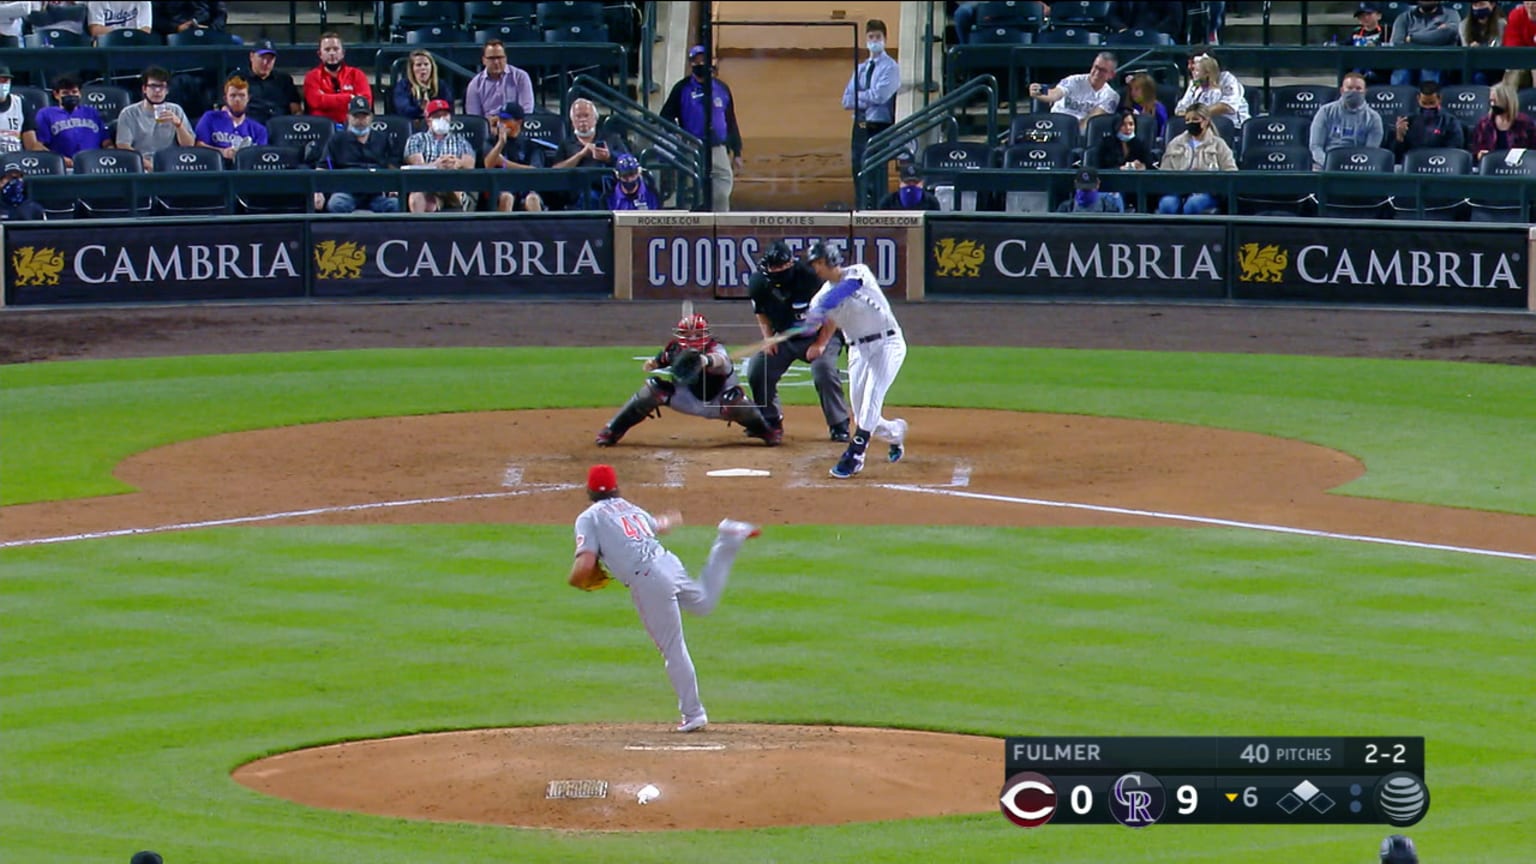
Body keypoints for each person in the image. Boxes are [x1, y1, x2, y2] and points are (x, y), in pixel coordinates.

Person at [569, 463, 760, 734]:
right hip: (667, 562)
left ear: (588, 490)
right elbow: (659, 525)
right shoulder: (629, 507)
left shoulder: (588, 517)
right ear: (616, 487)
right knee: (704, 603)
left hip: (648, 578)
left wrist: (574, 581)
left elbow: (585, 563)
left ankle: (694, 714)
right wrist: (672, 518)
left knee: (672, 647)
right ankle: (729, 538)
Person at [799, 240, 908, 479]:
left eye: (818, 262)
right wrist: (808, 324)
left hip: (887, 343)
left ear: (830, 260)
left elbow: (846, 289)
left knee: (872, 398)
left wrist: (821, 308)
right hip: (857, 350)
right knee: (862, 416)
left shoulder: (858, 272)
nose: (815, 268)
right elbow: (816, 323)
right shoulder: (820, 298)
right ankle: (896, 431)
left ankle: (856, 454)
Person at [594, 312, 780, 447]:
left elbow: (720, 361)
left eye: (697, 335)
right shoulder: (675, 349)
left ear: (706, 335)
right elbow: (663, 359)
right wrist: (653, 363)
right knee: (652, 390)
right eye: (688, 335)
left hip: (718, 403)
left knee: (736, 400)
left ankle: (763, 430)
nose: (692, 338)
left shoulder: (716, 349)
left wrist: (704, 360)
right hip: (686, 399)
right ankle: (612, 430)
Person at [744, 239, 852, 443]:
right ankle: (770, 422)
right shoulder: (759, 283)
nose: (775, 270)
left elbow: (833, 314)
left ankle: (839, 424)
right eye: (772, 267)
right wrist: (768, 339)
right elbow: (761, 313)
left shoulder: (811, 278)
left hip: (823, 333)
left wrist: (820, 344)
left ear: (790, 264)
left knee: (823, 369)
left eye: (779, 266)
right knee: (758, 368)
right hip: (785, 335)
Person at [659, 44, 744, 211]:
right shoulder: (682, 88)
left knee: (722, 189)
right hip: (692, 146)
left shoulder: (722, 88)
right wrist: (676, 135)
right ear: (691, 64)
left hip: (718, 146)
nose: (700, 64)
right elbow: (666, 115)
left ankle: (720, 224)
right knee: (693, 192)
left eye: (703, 60)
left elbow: (730, 120)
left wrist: (737, 151)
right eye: (696, 61)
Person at [315, 95, 399, 213]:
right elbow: (322, 168)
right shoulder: (337, 140)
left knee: (395, 204)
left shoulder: (382, 139)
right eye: (356, 117)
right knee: (336, 204)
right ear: (348, 117)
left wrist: (394, 188)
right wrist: (318, 192)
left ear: (371, 118)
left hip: (376, 193)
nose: (360, 121)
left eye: (364, 116)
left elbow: (392, 166)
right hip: (346, 191)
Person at [841, 18, 900, 180]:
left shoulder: (891, 67)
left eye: (878, 37)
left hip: (879, 125)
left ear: (885, 39)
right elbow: (846, 100)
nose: (874, 41)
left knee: (876, 172)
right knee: (859, 170)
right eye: (871, 37)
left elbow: (880, 96)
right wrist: (867, 96)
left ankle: (877, 205)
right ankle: (861, 203)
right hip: (859, 125)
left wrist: (858, 96)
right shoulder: (861, 68)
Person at [1157, 103, 1236, 214]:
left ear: (1206, 121)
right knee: (1167, 205)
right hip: (1178, 190)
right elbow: (1164, 171)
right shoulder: (1176, 143)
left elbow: (1231, 172)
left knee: (1193, 204)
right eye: (1188, 120)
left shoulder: (1218, 144)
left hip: (1206, 191)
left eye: (1195, 119)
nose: (1191, 123)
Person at [23, 72, 111, 166]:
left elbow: (106, 141)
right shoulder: (46, 114)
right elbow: (38, 145)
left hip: (94, 164)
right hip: (63, 168)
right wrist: (60, 160)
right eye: (65, 93)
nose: (71, 95)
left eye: (74, 92)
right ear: (56, 94)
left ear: (80, 93)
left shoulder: (91, 112)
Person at [116, 66, 194, 170]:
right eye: (153, 86)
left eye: (162, 86)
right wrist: (146, 164)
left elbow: (189, 145)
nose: (157, 90)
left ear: (167, 90)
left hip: (172, 164)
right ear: (144, 89)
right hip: (141, 165)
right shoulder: (128, 113)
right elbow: (123, 145)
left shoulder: (176, 110)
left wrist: (178, 125)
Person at [403, 98, 474, 213]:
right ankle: (417, 230)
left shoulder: (460, 140)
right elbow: (417, 165)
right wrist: (436, 165)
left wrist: (456, 162)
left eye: (445, 115)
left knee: (456, 186)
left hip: (453, 184)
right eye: (437, 116)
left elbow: (470, 163)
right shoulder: (416, 139)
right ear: (428, 120)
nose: (442, 119)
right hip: (426, 184)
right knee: (417, 198)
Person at [551, 97, 622, 209]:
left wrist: (609, 157)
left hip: (607, 190)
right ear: (572, 121)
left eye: (586, 115)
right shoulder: (566, 144)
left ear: (595, 119)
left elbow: (628, 161)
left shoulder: (611, 139)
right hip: (577, 194)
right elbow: (555, 171)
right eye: (578, 116)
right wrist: (581, 155)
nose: (582, 120)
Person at [1308, 72, 1384, 170]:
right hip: (1326, 165)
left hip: (1358, 167)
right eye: (1349, 88)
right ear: (1342, 90)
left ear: (1365, 92)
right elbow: (1316, 146)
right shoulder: (1325, 111)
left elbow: (1369, 153)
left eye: (1358, 89)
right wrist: (1330, 164)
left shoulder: (1374, 118)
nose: (1354, 92)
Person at [1028, 52, 1120, 131]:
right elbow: (1054, 94)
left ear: (1111, 75)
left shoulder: (1111, 96)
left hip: (1078, 132)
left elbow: (1091, 120)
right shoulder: (1074, 80)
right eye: (1095, 67)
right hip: (1055, 123)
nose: (1096, 73)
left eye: (1102, 70)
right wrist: (1039, 91)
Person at [485, 100, 546, 212]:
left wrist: (505, 164)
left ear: (518, 122)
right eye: (500, 119)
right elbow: (488, 164)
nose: (501, 123)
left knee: (532, 199)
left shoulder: (530, 145)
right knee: (506, 197)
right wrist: (501, 143)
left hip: (525, 187)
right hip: (501, 187)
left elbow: (535, 171)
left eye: (506, 119)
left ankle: (540, 229)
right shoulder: (492, 142)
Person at [194, 75, 267, 163]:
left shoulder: (259, 130)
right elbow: (198, 146)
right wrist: (222, 152)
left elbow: (261, 157)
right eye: (233, 95)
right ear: (226, 98)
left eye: (242, 95)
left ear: (248, 98)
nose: (237, 100)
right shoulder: (210, 118)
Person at [304, 32, 372, 126]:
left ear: (343, 53)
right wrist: (349, 98)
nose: (332, 53)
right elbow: (316, 101)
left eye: (336, 49)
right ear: (320, 54)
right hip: (321, 128)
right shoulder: (312, 76)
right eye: (327, 50)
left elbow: (365, 102)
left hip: (352, 127)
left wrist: (326, 99)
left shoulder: (357, 74)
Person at [1389, 0, 1462, 86]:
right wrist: (1434, 35)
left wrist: (1412, 38)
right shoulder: (1404, 17)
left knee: (1428, 73)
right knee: (1401, 75)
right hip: (1408, 60)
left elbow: (1448, 34)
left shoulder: (1451, 15)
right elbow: (1397, 43)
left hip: (1438, 60)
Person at [1389, 80, 1465, 159]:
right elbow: (1396, 157)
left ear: (1440, 99)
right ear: (1418, 99)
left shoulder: (1451, 122)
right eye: (1424, 103)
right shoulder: (1407, 121)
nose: (1428, 107)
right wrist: (1399, 137)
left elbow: (1454, 153)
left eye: (1432, 103)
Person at [235, 40, 302, 125]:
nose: (265, 62)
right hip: (249, 127)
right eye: (262, 57)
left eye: (270, 58)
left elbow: (296, 110)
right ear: (251, 56)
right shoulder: (238, 78)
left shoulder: (284, 79)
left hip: (279, 128)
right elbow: (227, 109)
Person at [464, 38, 533, 119]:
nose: (496, 62)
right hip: (488, 127)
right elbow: (474, 117)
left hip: (515, 125)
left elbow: (527, 110)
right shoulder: (475, 84)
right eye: (491, 58)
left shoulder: (521, 77)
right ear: (484, 60)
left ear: (506, 58)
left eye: (500, 57)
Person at [1175, 52, 1249, 128]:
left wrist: (1197, 114)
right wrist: (1188, 114)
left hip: (1232, 127)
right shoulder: (1195, 83)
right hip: (1203, 127)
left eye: (1195, 67)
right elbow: (1181, 108)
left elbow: (1227, 106)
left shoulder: (1226, 79)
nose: (1190, 68)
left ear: (1207, 71)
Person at [1470, 82, 1536, 161]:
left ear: (1506, 101)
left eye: (1496, 101)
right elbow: (1475, 149)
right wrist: (1479, 154)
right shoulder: (1484, 124)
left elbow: (1533, 151)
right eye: (1491, 101)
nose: (1492, 104)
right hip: (1491, 166)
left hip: (1520, 168)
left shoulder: (1526, 123)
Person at [391, 49, 452, 128]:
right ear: (412, 69)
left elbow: (449, 107)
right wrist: (419, 108)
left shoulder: (441, 85)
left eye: (426, 64)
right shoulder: (403, 86)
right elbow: (403, 110)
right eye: (418, 65)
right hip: (412, 125)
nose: (423, 68)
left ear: (432, 67)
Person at [1461, 0, 1505, 84]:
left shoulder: (1501, 24)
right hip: (1473, 64)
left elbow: (1497, 47)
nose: (1478, 8)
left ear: (1492, 5)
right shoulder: (1464, 25)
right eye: (1475, 5)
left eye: (1482, 4)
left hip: (1495, 65)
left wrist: (1480, 48)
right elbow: (1465, 48)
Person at [1346, 2, 1389, 85]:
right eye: (1361, 15)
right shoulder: (1355, 32)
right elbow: (1345, 47)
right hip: (1358, 67)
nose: (1365, 18)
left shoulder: (1387, 31)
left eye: (1369, 14)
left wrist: (1377, 46)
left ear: (1379, 16)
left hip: (1380, 68)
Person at [1056, 167, 1125, 212]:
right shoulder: (1066, 208)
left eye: (1089, 189)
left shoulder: (1108, 207)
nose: (1086, 192)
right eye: (1083, 189)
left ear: (1098, 184)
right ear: (1075, 184)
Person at [1502, 0, 1536, 88]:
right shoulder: (1516, 15)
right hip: (1524, 63)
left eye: (1534, 3)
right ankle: (1506, 99)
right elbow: (1514, 50)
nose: (1531, 7)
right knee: (1513, 71)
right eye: (1527, 3)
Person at [1124, 72, 1167, 140]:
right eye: (1131, 89)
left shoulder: (1158, 108)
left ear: (1147, 90)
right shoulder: (1130, 107)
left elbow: (1164, 130)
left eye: (1137, 89)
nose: (1133, 92)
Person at [1106, 0, 1183, 38]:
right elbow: (1112, 16)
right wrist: (1122, 28)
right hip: (1126, 36)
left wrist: (1152, 33)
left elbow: (1173, 19)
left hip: (1157, 37)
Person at [0, 65, 30, 154]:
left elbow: (31, 145)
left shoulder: (20, 103)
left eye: (5, 81)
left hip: (16, 160)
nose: (2, 85)